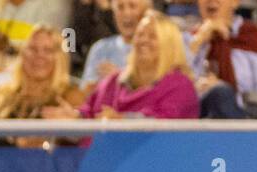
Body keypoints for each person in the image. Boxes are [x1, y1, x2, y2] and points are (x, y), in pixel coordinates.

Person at [48, 10, 198, 118]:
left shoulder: (180, 86)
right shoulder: (113, 83)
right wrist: (74, 117)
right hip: (99, 158)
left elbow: (164, 125)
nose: (143, 40)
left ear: (169, 45)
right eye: (140, 34)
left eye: (152, 36)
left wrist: (123, 121)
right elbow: (89, 112)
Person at [0, 23, 86, 140]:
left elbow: (85, 140)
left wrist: (75, 126)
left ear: (59, 57)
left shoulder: (71, 96)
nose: (39, 56)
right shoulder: (2, 94)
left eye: (48, 50)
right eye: (33, 49)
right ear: (22, 53)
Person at [185, 0, 257, 118]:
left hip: (244, 122)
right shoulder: (184, 42)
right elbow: (171, 86)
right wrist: (199, 40)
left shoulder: (253, 41)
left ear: (235, 2)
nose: (211, 1)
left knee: (220, 93)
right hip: (193, 120)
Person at [79, 0, 150, 88]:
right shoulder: (100, 48)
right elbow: (86, 91)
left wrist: (120, 78)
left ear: (146, 12)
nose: (126, 13)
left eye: (132, 6)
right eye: (120, 7)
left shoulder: (153, 50)